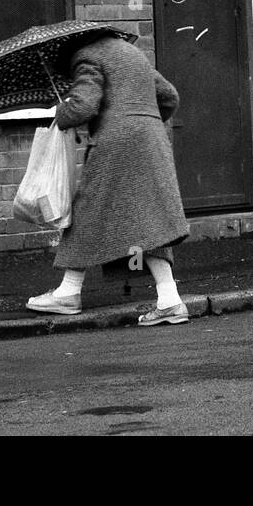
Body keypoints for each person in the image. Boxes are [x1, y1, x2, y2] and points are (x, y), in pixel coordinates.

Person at [26, 32, 192, 326]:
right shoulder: (131, 54)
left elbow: (85, 105)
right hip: (152, 139)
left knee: (89, 209)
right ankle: (170, 300)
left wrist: (63, 113)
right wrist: (143, 120)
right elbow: (170, 97)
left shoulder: (86, 57)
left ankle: (68, 292)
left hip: (117, 144)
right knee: (149, 217)